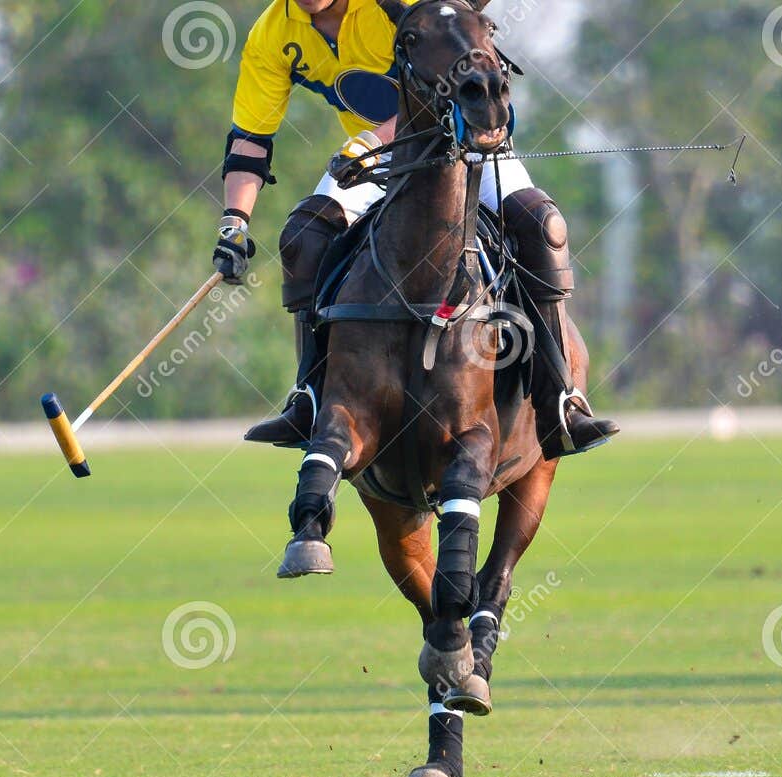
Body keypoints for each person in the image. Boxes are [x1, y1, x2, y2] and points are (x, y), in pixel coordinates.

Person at [212, 0, 616, 457]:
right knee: (303, 239)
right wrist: (234, 222)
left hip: (462, 143)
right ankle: (309, 395)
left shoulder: (400, 5)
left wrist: (369, 140)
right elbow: (250, 141)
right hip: (379, 161)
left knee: (543, 225)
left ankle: (559, 399)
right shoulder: (271, 36)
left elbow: (458, 69)